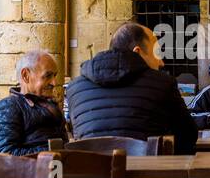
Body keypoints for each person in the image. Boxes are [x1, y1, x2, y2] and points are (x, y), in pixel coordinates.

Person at [66, 22, 198, 155]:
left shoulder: (74, 89)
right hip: (149, 174)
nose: (161, 62)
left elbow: (77, 135)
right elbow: (188, 136)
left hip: (90, 174)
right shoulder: (163, 83)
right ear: (137, 52)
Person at [0, 49, 65, 156]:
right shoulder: (8, 107)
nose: (54, 82)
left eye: (54, 76)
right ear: (26, 75)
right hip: (32, 172)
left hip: (58, 169)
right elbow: (6, 155)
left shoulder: (50, 106)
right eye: (48, 76)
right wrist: (51, 154)